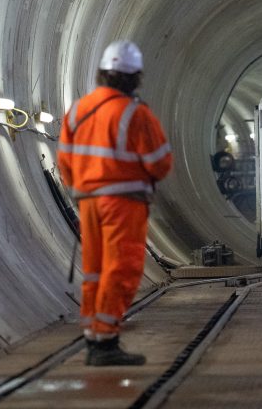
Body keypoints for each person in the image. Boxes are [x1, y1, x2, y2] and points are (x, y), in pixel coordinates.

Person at [57, 40, 172, 366]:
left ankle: (94, 337)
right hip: (123, 204)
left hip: (88, 203)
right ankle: (106, 340)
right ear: (135, 77)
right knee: (122, 268)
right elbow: (160, 163)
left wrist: (81, 188)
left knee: (94, 271)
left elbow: (64, 161)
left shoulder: (78, 110)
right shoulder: (136, 114)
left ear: (101, 73)